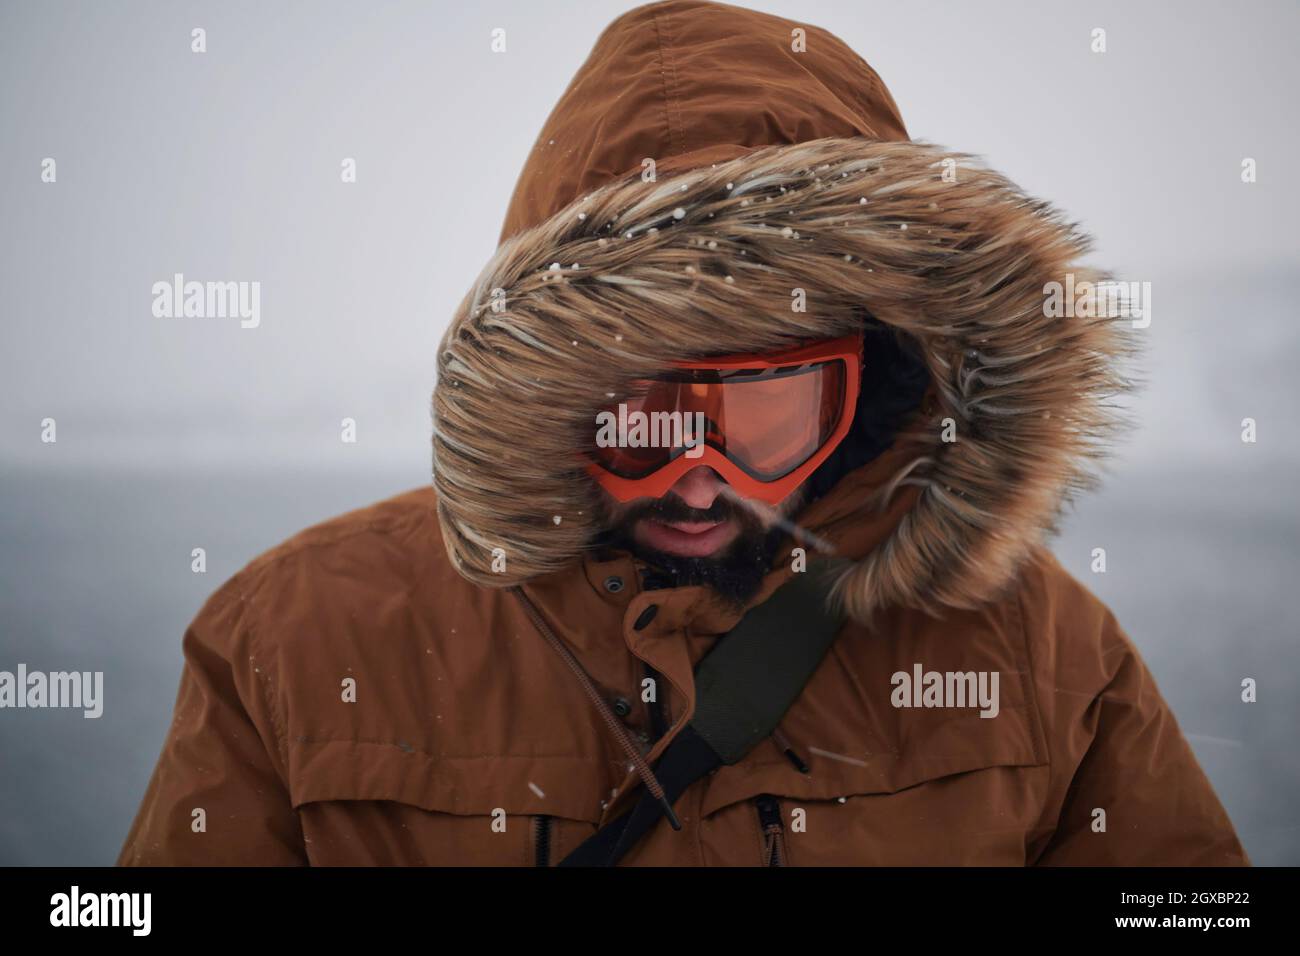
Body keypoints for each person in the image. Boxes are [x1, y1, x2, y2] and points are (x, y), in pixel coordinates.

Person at [118, 0, 1247, 866]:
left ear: (877, 382)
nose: (701, 484)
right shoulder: (295, 640)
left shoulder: (1039, 654)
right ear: (547, 393)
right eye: (642, 419)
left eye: (769, 411)